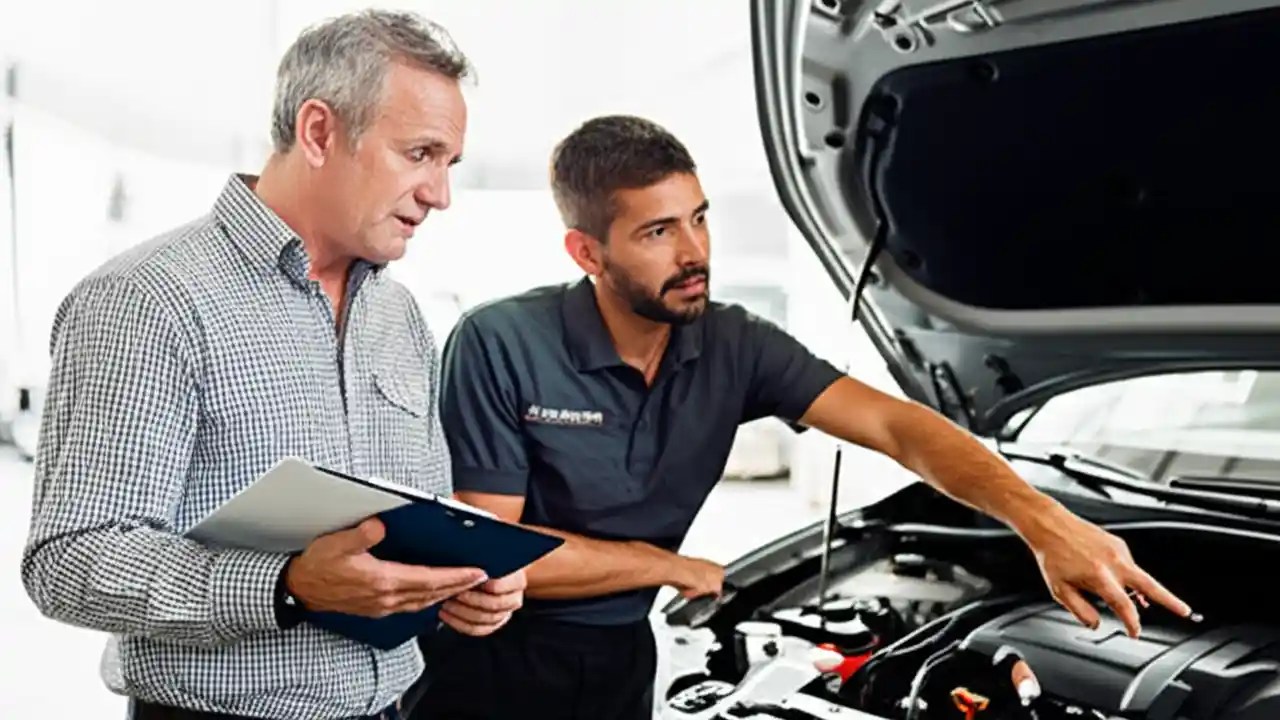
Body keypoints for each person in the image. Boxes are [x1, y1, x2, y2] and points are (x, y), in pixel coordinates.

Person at [406, 114, 1193, 719]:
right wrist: (673, 566)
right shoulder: (501, 341)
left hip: (621, 660)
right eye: (657, 231)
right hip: (488, 667)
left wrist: (1043, 521)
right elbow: (496, 556)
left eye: (700, 217)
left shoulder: (733, 343)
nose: (694, 251)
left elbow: (897, 428)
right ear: (587, 253)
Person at [20, 10, 524, 720]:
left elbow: (418, 518)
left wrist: (462, 581)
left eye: (449, 164)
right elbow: (70, 562)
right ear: (320, 132)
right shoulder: (146, 301)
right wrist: (288, 584)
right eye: (420, 154)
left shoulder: (399, 315)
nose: (439, 194)